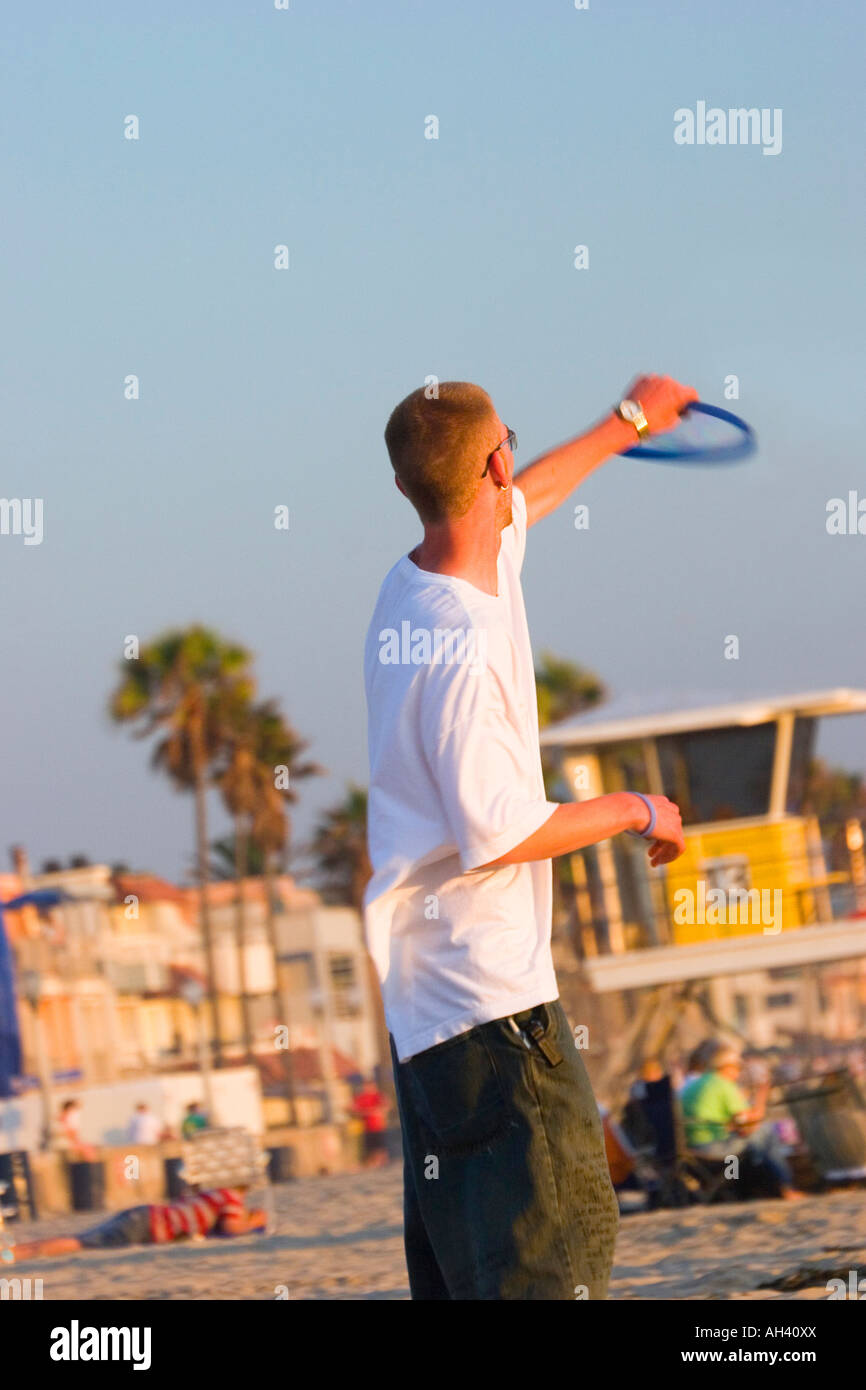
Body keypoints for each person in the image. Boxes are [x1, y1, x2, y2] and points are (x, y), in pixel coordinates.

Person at [364, 376, 692, 1299]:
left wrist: (628, 424)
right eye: (511, 444)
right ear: (493, 462)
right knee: (553, 1269)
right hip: (495, 1015)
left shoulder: (414, 583)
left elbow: (526, 502)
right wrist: (636, 808)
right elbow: (500, 833)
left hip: (428, 1021)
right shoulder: (460, 646)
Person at [7, 1187, 266, 1263]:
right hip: (148, 1226)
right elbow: (232, 1230)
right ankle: (10, 1255)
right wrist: (254, 1223)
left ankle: (11, 1251)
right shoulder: (232, 1198)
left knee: (81, 1237)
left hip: (145, 1214)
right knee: (80, 1242)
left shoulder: (213, 1192)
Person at [680, 1041, 805, 1200]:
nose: (738, 1072)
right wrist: (762, 1094)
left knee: (750, 1140)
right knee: (765, 1133)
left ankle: (742, 1187)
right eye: (737, 1066)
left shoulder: (695, 1083)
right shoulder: (722, 1084)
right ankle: (785, 1186)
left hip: (692, 1147)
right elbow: (750, 1124)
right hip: (712, 1148)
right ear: (727, 1066)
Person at [351, 1079, 390, 1167]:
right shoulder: (362, 1097)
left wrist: (372, 1111)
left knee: (380, 1146)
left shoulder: (378, 1095)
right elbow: (354, 1109)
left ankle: (383, 1163)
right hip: (367, 1127)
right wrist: (369, 1111)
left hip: (378, 1126)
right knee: (370, 1148)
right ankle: (374, 1163)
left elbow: (385, 1107)